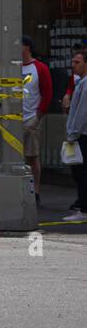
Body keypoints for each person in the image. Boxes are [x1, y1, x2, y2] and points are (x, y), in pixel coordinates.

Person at [20, 35, 52, 201]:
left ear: (28, 47)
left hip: (31, 117)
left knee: (32, 156)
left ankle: (36, 190)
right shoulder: (11, 67)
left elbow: (47, 94)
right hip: (12, 118)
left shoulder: (40, 68)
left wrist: (38, 116)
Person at [61, 49, 87, 222]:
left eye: (77, 62)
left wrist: (72, 133)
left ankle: (84, 209)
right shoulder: (80, 82)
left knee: (81, 173)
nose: (73, 65)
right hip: (81, 133)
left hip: (82, 134)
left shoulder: (85, 84)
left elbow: (82, 112)